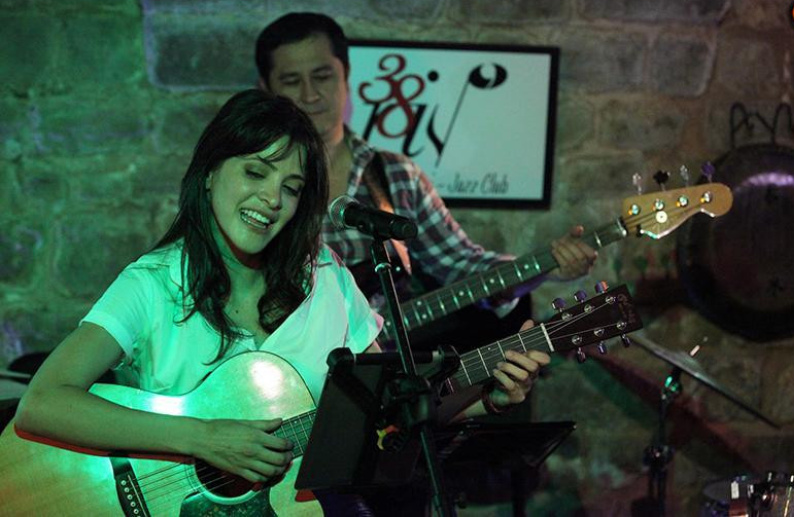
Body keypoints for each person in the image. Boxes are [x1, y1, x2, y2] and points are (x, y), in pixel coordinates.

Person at [10, 89, 549, 515]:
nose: (272, 199)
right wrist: (202, 438)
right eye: (255, 172)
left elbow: (390, 413)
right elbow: (43, 403)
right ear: (209, 173)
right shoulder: (154, 283)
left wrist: (489, 398)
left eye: (291, 188)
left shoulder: (328, 278)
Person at [255, 12, 599, 354]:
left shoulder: (396, 175)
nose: (310, 94)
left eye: (322, 76)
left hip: (386, 374)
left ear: (346, 76)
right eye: (291, 81)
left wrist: (546, 266)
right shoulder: (254, 180)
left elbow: (462, 265)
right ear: (266, 89)